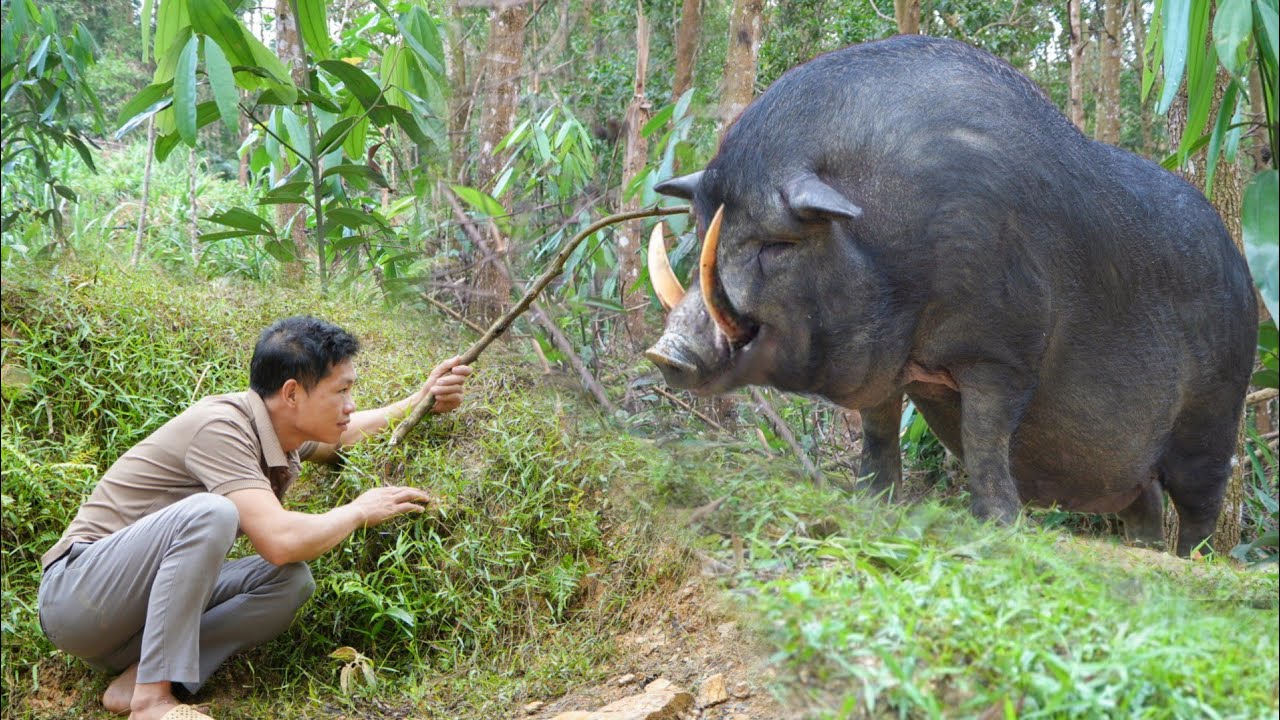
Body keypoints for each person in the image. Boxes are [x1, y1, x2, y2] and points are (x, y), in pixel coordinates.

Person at [36, 316, 472, 720]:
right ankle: (151, 701)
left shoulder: (280, 433)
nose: (349, 404)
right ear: (292, 394)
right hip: (79, 599)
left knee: (290, 582)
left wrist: (422, 399)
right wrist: (358, 511)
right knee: (211, 513)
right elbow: (279, 540)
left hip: (133, 627)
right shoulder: (221, 427)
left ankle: (136, 678)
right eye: (340, 391)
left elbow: (347, 433)